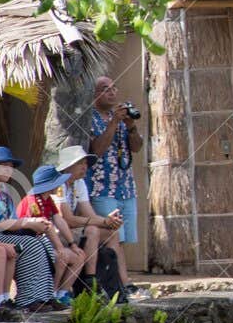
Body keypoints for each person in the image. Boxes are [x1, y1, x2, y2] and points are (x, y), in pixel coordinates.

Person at [0, 147, 60, 311]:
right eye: (4, 166)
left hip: (6, 233)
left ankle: (45, 296)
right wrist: (28, 223)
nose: (9, 170)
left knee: (43, 242)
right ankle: (27, 298)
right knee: (30, 246)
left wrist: (32, 225)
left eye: (10, 166)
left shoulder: (5, 192)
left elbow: (13, 221)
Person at [53, 144, 126, 294]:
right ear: (68, 167)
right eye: (80, 163)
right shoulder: (58, 184)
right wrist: (103, 221)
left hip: (70, 231)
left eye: (85, 163)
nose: (85, 167)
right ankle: (90, 280)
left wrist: (109, 222)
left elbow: (89, 214)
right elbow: (68, 219)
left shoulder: (78, 184)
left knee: (112, 233)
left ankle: (116, 283)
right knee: (92, 231)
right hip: (55, 234)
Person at [17, 164, 89, 302]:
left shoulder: (48, 200)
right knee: (61, 257)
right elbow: (45, 227)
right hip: (30, 246)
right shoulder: (32, 201)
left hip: (43, 244)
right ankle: (52, 294)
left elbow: (59, 221)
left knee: (79, 256)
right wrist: (60, 247)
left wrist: (72, 244)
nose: (59, 185)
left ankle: (62, 292)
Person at [86, 76, 142, 249]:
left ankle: (118, 276)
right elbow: (96, 151)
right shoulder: (90, 118)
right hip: (103, 189)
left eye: (114, 88)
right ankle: (115, 276)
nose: (112, 92)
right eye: (105, 89)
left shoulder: (121, 117)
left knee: (123, 241)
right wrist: (114, 123)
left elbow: (137, 147)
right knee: (112, 236)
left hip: (126, 188)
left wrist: (131, 126)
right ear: (94, 94)